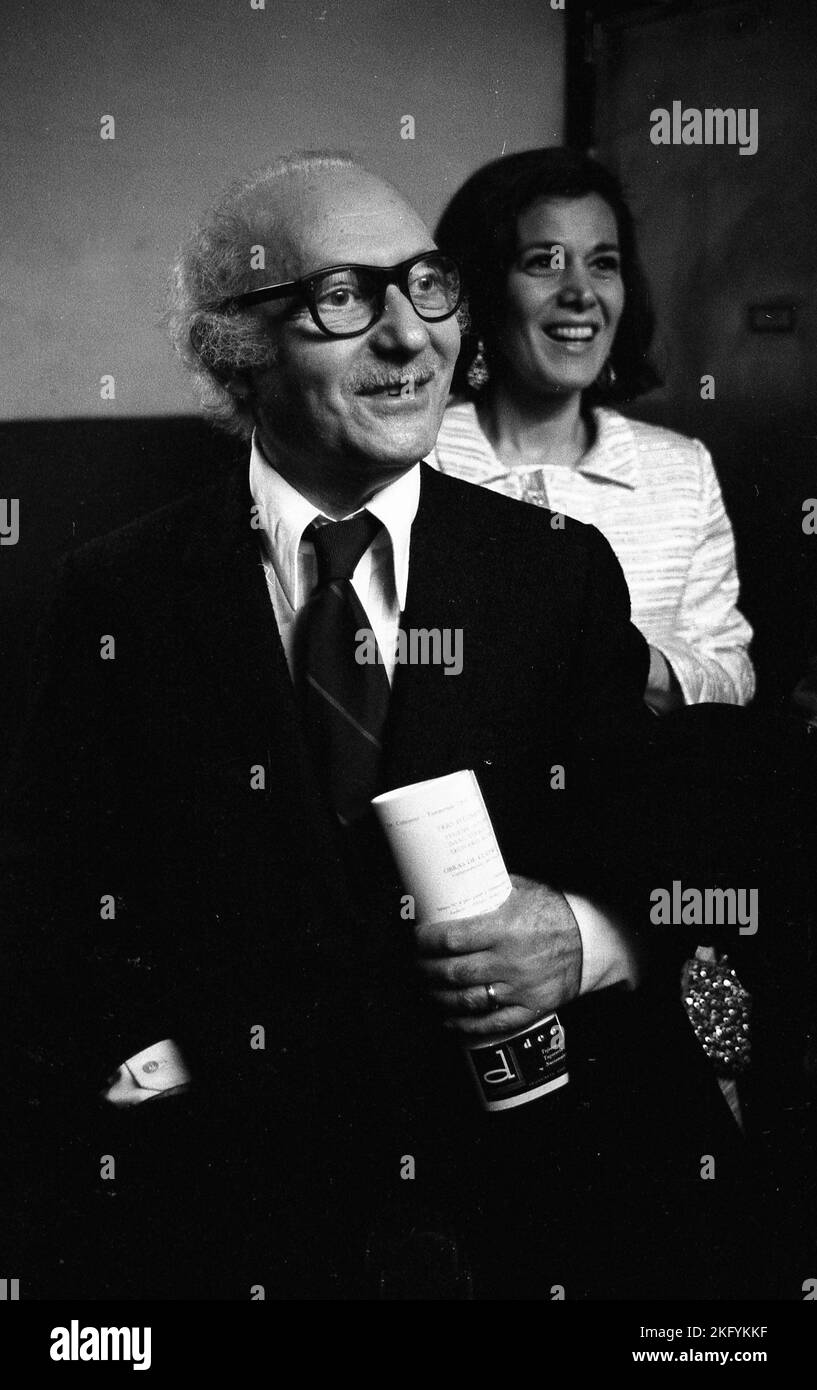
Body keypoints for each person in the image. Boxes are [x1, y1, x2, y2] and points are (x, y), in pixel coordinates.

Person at [1, 154, 769, 1302]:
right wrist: (147, 1069)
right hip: (238, 1214)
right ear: (236, 350)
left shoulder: (554, 575)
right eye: (344, 298)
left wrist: (584, 934)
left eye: (426, 285)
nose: (412, 338)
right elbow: (58, 903)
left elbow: (679, 851)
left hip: (520, 1208)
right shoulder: (120, 593)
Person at [433, 147, 754, 715]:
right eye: (544, 262)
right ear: (482, 288)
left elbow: (731, 673)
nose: (581, 292)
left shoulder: (682, 471)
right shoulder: (418, 459)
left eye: (603, 263)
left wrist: (625, 662)